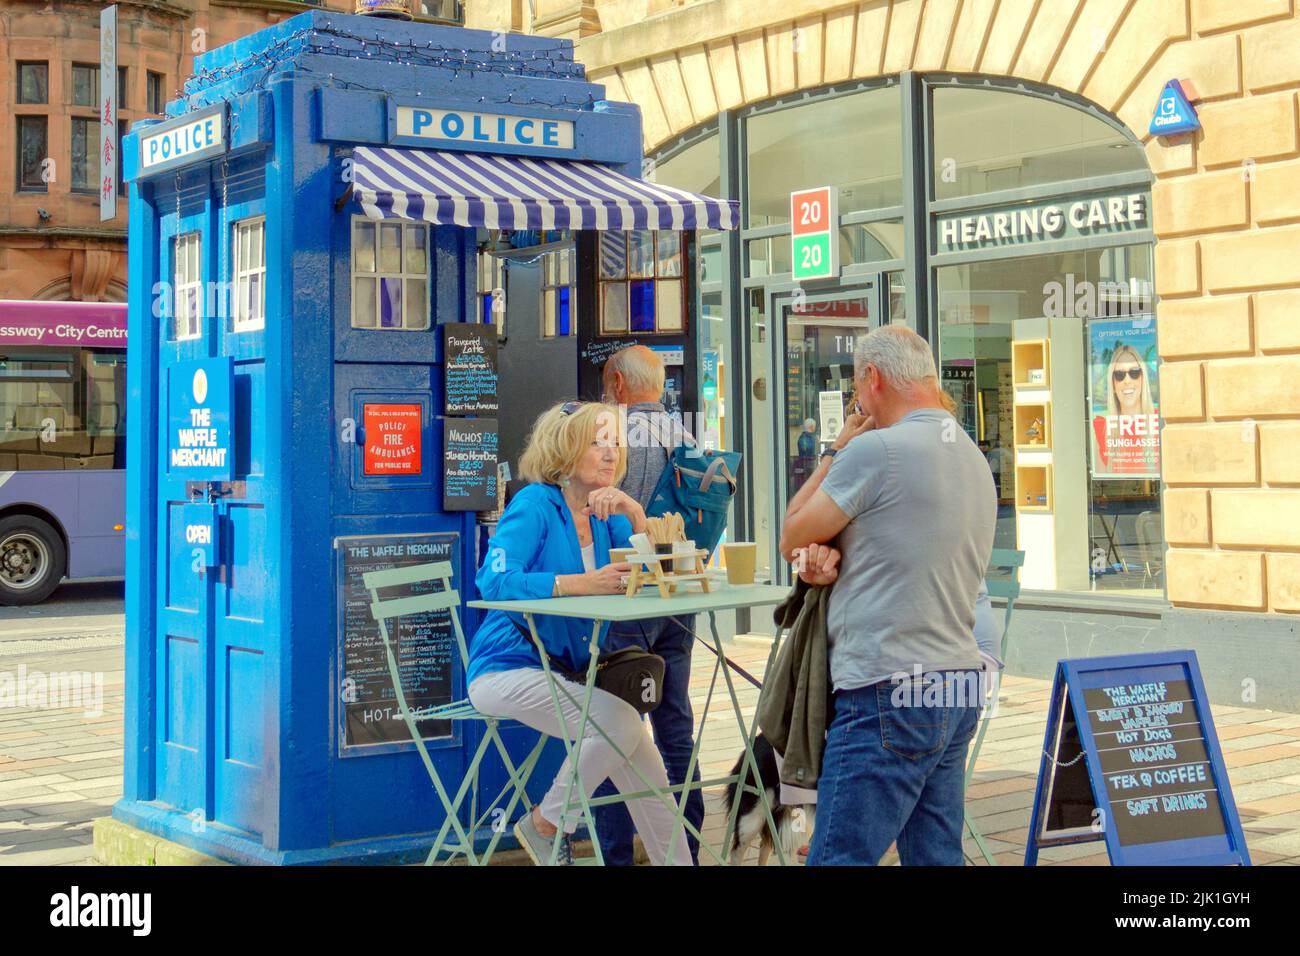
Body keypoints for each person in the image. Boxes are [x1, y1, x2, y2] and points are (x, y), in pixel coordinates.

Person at [779, 326, 996, 866]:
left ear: (872, 378)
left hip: (885, 687)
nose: (860, 405)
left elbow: (791, 532)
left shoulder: (876, 450)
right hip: (956, 682)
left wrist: (835, 448)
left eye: (857, 392)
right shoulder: (972, 455)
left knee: (837, 856)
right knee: (935, 856)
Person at [469, 401, 692, 866]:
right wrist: (578, 585)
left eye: (615, 442)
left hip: (570, 674)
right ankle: (547, 822)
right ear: (566, 448)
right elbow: (492, 579)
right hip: (508, 668)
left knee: (647, 769)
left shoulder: (608, 513)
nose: (610, 453)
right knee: (621, 723)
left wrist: (634, 511)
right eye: (597, 442)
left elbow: (658, 577)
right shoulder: (534, 504)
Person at [590, 345, 705, 865]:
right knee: (675, 724)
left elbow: (593, 521)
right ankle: (689, 847)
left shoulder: (617, 439)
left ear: (616, 382)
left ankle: (613, 852)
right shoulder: (688, 438)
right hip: (678, 599)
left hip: (625, 602)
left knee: (613, 727)